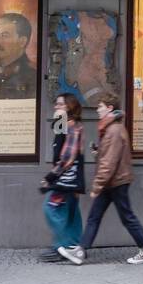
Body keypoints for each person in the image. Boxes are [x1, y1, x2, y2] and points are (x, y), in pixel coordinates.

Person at [58, 90, 143, 265]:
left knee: (127, 217)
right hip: (112, 181)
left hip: (116, 182)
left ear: (110, 108)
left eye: (100, 107)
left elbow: (109, 162)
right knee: (95, 216)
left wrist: (97, 186)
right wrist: (98, 152)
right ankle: (81, 251)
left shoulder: (114, 130)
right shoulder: (109, 128)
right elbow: (108, 156)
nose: (97, 110)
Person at [41, 94, 86, 263]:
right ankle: (74, 246)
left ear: (69, 107)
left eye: (60, 104)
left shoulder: (72, 127)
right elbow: (59, 147)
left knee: (51, 209)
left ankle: (62, 247)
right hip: (70, 180)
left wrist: (51, 176)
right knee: (71, 212)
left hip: (65, 180)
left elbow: (67, 157)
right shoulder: (65, 125)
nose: (56, 107)